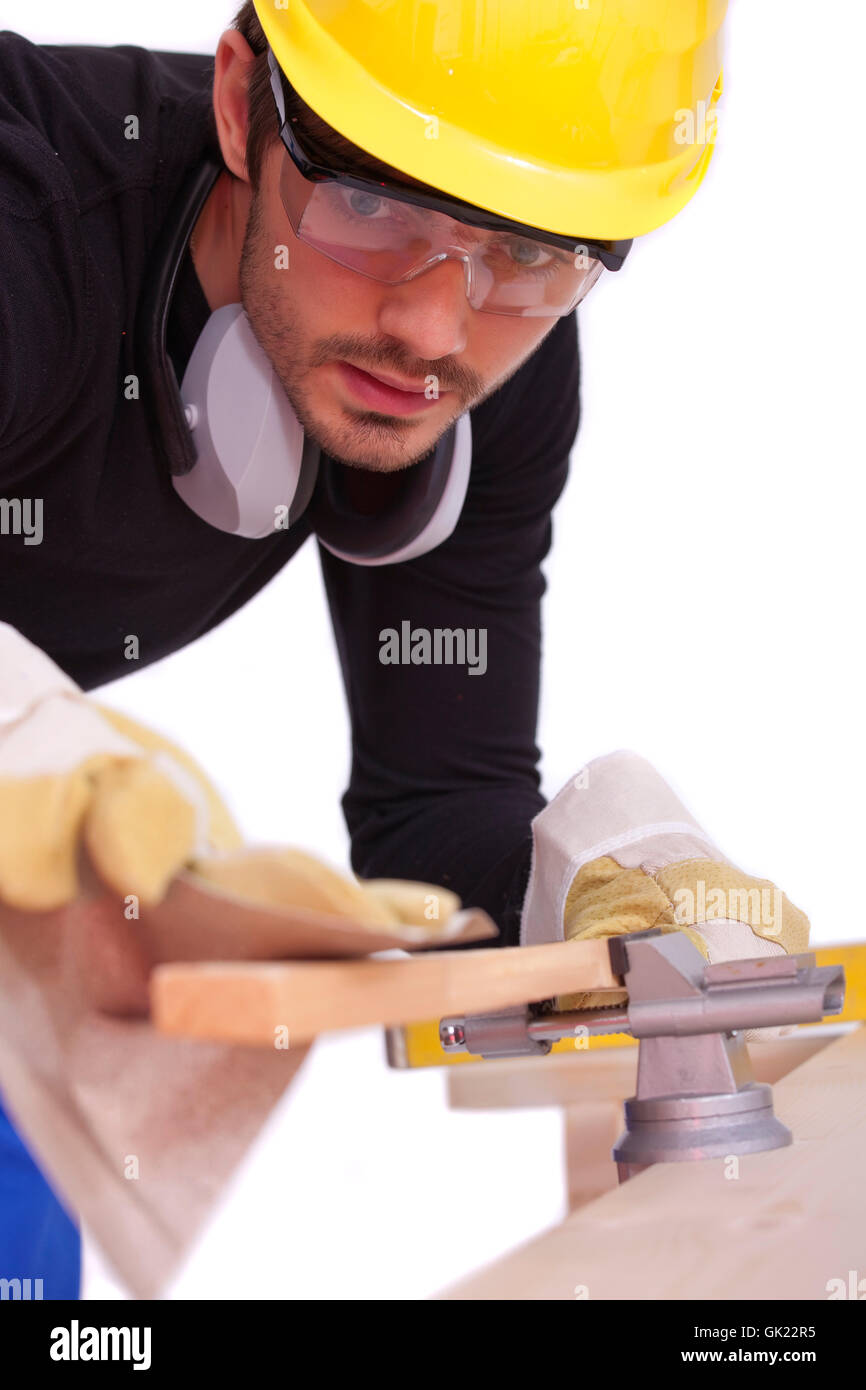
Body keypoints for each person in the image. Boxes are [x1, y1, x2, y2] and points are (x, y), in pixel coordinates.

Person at [4, 2, 804, 1301]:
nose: (435, 334)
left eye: (531, 251)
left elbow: (433, 817)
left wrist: (598, 890)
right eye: (372, 209)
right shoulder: (30, 232)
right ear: (236, 104)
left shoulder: (497, 364)